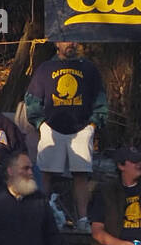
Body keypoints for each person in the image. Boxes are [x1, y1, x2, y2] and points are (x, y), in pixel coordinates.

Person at [24, 40, 108, 230]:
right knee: (46, 173)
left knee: (81, 175)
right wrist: (40, 123)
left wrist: (94, 124)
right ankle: (41, 216)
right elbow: (32, 99)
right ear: (56, 44)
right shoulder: (45, 69)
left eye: (73, 39)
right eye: (65, 40)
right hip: (51, 128)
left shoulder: (88, 68)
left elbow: (100, 98)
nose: (70, 43)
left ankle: (82, 220)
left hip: (81, 128)